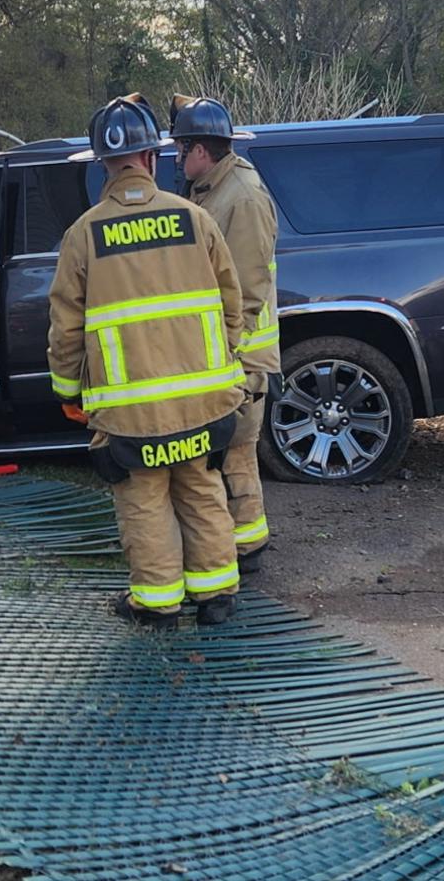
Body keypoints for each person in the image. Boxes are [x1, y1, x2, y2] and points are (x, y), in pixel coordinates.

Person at [48, 94, 246, 630]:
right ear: (152, 158)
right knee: (203, 490)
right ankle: (217, 597)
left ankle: (157, 605)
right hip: (204, 402)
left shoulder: (83, 236)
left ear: (102, 166)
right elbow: (233, 305)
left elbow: (66, 329)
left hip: (130, 415)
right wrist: (226, 367)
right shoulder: (196, 219)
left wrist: (69, 394)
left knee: (145, 501)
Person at [169, 96, 279, 574]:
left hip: (242, 357)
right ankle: (238, 543)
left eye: (180, 147)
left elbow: (248, 289)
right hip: (221, 351)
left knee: (235, 452)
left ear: (200, 149)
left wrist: (228, 357)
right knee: (227, 452)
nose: (175, 157)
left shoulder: (244, 197)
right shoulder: (211, 189)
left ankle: (247, 549)